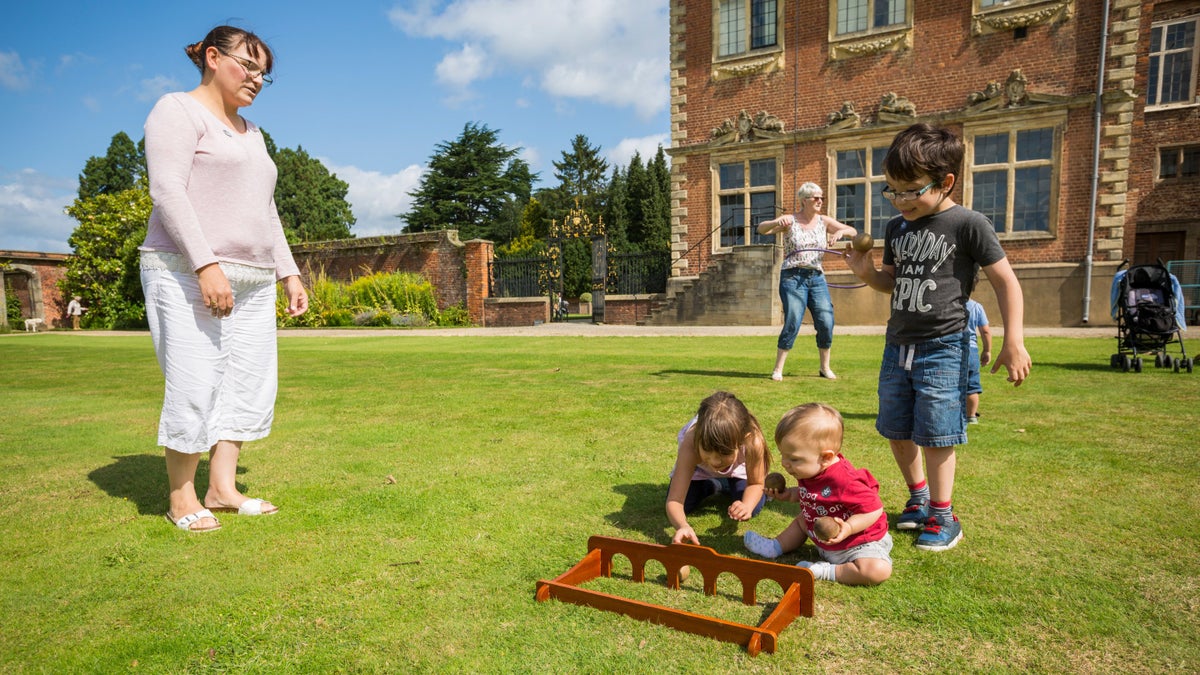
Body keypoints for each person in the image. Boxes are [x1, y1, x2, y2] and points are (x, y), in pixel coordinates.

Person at [139, 25, 309, 533]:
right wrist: (205, 263)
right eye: (248, 65)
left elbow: (266, 209)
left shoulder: (253, 133)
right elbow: (167, 191)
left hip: (255, 277)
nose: (257, 79)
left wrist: (289, 271)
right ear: (213, 57)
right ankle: (181, 497)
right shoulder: (177, 110)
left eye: (264, 74)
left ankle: (223, 488)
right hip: (184, 270)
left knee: (248, 383)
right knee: (195, 379)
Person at [845, 122, 1031, 551]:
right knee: (896, 427)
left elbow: (1007, 282)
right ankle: (918, 499)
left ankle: (945, 516)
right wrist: (866, 273)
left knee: (938, 432)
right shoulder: (897, 228)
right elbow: (890, 281)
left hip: (944, 346)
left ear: (946, 182)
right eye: (891, 190)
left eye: (910, 190)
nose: (900, 200)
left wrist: (1013, 340)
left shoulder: (969, 223)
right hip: (897, 346)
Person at [743, 403, 892, 586]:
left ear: (826, 457)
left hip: (856, 544)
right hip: (820, 534)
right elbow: (814, 493)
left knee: (877, 571)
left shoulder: (846, 480)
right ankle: (775, 546)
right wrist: (789, 495)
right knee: (801, 521)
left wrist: (849, 527)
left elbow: (874, 509)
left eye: (794, 458)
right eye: (783, 455)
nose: (784, 463)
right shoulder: (810, 470)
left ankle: (828, 571)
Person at [757, 182, 857, 381]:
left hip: (816, 277)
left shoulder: (824, 221)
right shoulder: (791, 221)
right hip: (793, 276)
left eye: (821, 198)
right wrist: (778, 223)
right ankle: (778, 369)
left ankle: (824, 367)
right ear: (804, 201)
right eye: (816, 198)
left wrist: (840, 232)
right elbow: (762, 229)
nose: (820, 201)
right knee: (793, 319)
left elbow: (852, 231)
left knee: (826, 321)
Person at [666, 391, 769, 547]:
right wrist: (682, 526)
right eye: (706, 450)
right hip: (700, 471)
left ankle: (728, 483)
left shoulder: (753, 441)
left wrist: (746, 506)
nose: (714, 461)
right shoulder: (691, 442)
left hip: (737, 471)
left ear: (742, 440)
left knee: (753, 508)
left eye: (725, 452)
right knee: (685, 505)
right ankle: (715, 484)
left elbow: (755, 484)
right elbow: (674, 500)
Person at [965, 298, 992, 424]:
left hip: (949, 348)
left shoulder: (947, 302)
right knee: (971, 385)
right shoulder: (976, 306)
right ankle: (971, 416)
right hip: (971, 350)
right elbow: (985, 331)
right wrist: (987, 350)